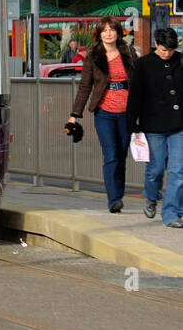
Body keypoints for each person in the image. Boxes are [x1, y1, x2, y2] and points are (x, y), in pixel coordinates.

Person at [68, 16, 138, 213]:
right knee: (111, 155)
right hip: (104, 112)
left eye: (112, 29)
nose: (108, 33)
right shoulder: (93, 56)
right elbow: (84, 87)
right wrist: (74, 114)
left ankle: (119, 192)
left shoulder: (129, 52)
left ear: (118, 32)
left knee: (122, 155)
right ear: (99, 34)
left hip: (127, 111)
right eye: (104, 30)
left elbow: (139, 80)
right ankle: (114, 199)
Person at [127, 28, 183, 229]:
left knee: (179, 170)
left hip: (179, 124)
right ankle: (151, 195)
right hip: (153, 125)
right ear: (156, 44)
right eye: (163, 49)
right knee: (156, 169)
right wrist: (132, 123)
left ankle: (171, 213)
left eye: (170, 49)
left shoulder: (181, 60)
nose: (167, 53)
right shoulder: (143, 64)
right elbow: (135, 95)